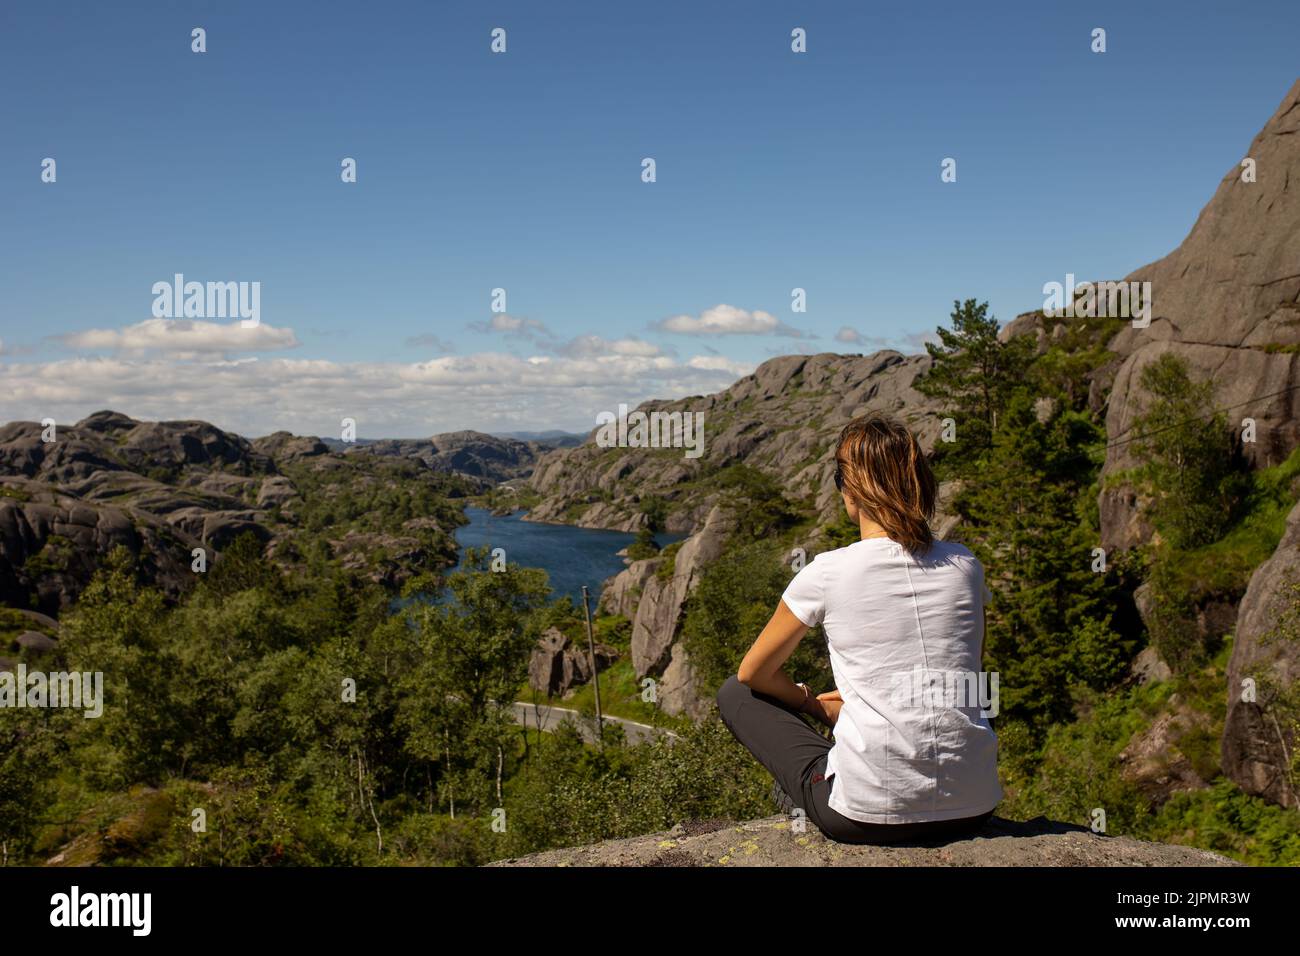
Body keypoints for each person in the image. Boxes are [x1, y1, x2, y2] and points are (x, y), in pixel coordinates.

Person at [717, 416, 1001, 845]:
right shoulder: (966, 567)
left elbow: (752, 673)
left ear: (851, 492)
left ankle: (807, 790)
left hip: (865, 816)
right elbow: (962, 674)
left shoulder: (827, 572)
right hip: (973, 807)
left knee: (735, 694)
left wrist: (816, 705)